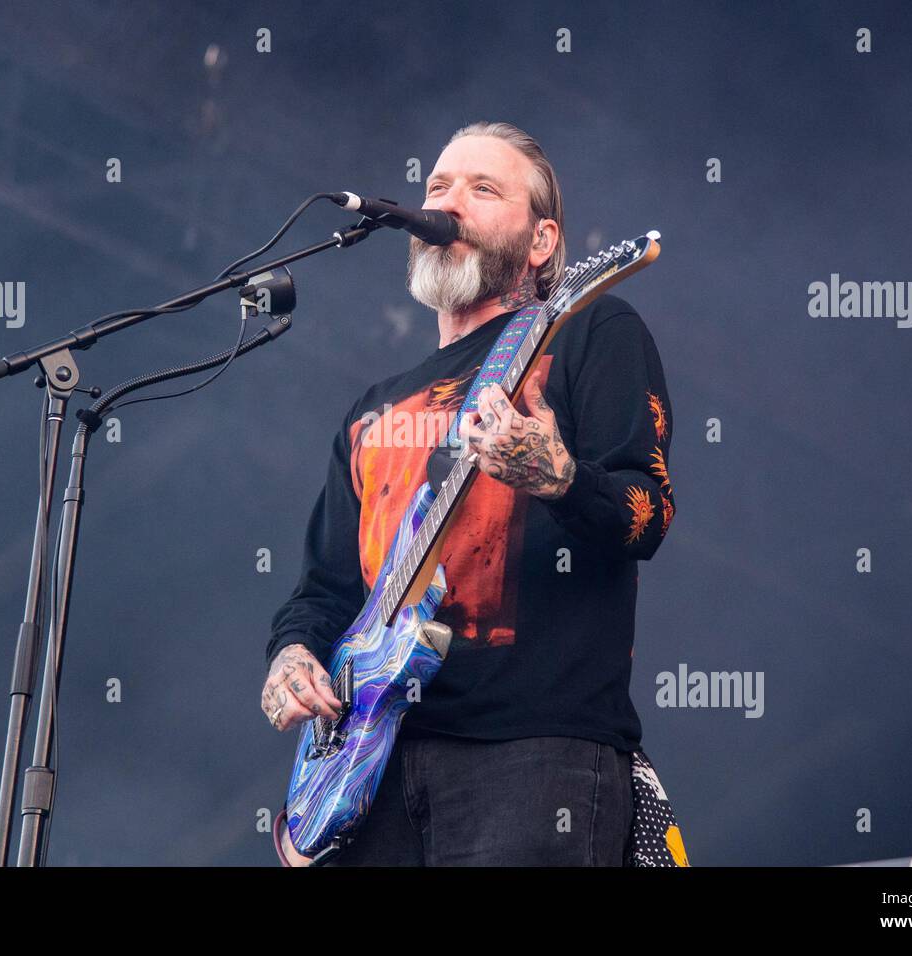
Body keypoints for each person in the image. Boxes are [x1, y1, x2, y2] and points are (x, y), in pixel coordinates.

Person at [262, 121, 688, 867]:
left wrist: (559, 478)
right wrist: (292, 658)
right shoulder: (375, 407)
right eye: (437, 187)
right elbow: (324, 590)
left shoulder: (589, 332)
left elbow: (646, 514)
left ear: (542, 241)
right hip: (374, 768)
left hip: (530, 757)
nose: (448, 201)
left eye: (482, 189)